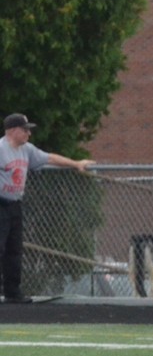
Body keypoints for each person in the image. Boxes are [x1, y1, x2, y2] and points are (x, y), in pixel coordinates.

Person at [0, 113, 94, 303]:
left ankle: (12, 292)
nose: (29, 134)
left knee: (14, 250)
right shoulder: (1, 149)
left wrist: (76, 164)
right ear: (13, 130)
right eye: (25, 130)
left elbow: (50, 158)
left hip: (15, 205)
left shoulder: (27, 149)